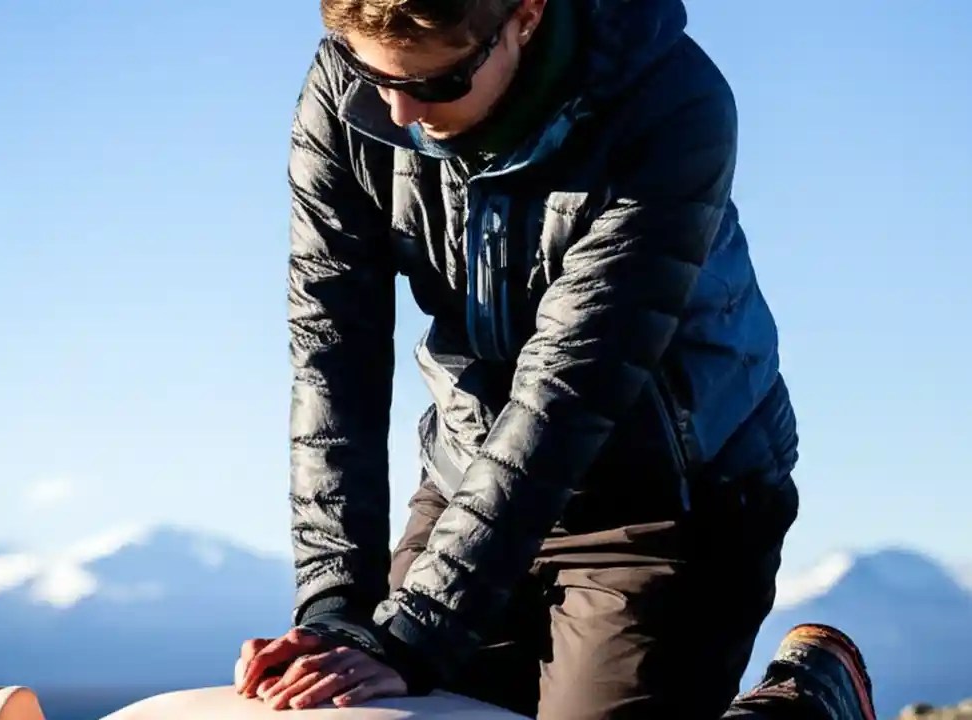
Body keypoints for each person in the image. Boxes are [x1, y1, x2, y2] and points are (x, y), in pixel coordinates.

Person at [237, 0, 877, 718]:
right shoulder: (351, 94)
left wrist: (414, 633)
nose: (399, 112)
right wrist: (336, 608)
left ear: (528, 16)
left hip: (668, 503)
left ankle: (803, 708)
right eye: (368, 72)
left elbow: (571, 383)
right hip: (468, 473)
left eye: (438, 85)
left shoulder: (672, 105)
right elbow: (332, 350)